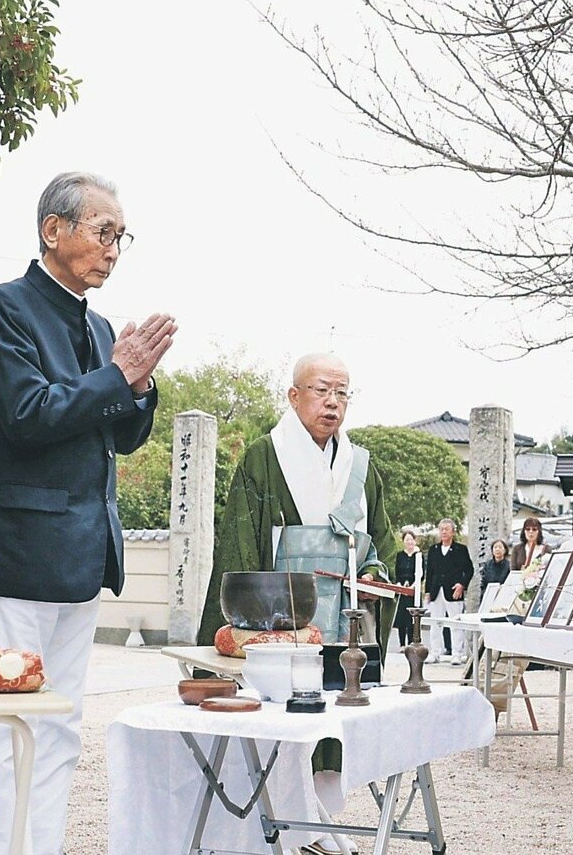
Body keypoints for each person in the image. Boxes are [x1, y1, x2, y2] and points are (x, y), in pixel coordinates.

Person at [0, 171, 174, 855]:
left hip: (86, 551)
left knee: (59, 725)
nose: (114, 249)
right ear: (53, 231)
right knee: (7, 723)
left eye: (122, 237)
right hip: (22, 549)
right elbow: (27, 416)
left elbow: (119, 436)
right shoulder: (5, 308)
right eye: (103, 231)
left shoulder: (102, 324)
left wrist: (138, 389)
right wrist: (117, 377)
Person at [197, 352, 397, 855]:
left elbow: (381, 544)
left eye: (342, 393)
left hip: (342, 614)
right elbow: (241, 545)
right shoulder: (265, 457)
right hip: (281, 614)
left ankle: (323, 820)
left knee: (333, 714)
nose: (332, 403)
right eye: (321, 390)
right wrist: (250, 618)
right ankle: (288, 824)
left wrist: (374, 574)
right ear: (293, 396)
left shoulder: (362, 466)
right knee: (284, 717)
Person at [424, 518, 473, 665]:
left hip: (453, 591)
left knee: (455, 622)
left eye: (447, 529)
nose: (444, 532)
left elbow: (469, 570)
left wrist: (462, 585)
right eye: (441, 529)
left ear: (453, 531)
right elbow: (430, 572)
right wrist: (427, 591)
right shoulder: (434, 550)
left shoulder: (460, 549)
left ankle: (457, 653)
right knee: (435, 622)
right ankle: (435, 652)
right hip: (436, 590)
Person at [394, 529, 420, 648]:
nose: (409, 542)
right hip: (401, 590)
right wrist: (399, 584)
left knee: (411, 618)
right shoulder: (400, 555)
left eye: (411, 539)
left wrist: (413, 586)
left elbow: (420, 573)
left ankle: (411, 642)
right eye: (407, 539)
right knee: (402, 618)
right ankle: (401, 644)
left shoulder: (418, 556)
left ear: (414, 541)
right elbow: (397, 572)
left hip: (414, 590)